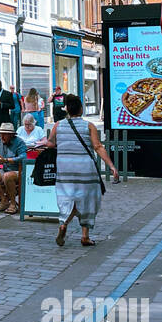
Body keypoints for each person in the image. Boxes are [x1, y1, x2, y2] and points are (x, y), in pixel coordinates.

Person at [50, 94, 118, 247]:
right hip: (85, 169)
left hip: (64, 169)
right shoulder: (89, 126)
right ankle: (85, 236)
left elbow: (50, 143)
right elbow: (98, 147)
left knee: (67, 198)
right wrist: (111, 166)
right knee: (87, 200)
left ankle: (63, 224)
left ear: (67, 109)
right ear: (81, 109)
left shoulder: (57, 125)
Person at [0, 122, 28, 215]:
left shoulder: (19, 142)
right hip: (5, 170)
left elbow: (23, 157)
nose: (2, 136)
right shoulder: (0, 141)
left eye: (4, 134)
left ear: (11, 135)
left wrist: (7, 160)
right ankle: (4, 200)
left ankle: (13, 204)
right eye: (1, 134)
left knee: (7, 176)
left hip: (18, 171)